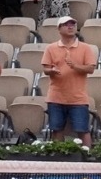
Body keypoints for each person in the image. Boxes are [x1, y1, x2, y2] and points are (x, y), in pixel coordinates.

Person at [41, 15, 97, 144]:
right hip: (56, 97)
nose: (70, 27)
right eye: (66, 24)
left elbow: (90, 69)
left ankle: (87, 157)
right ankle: (59, 158)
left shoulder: (85, 48)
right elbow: (46, 69)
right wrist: (52, 71)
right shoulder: (50, 48)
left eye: (73, 24)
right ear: (59, 29)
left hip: (78, 98)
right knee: (56, 129)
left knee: (82, 130)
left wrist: (74, 65)